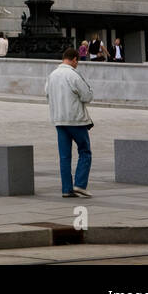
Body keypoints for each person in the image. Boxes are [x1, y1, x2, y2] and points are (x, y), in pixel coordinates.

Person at [46, 46, 95, 198]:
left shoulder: (52, 75)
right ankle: (80, 184)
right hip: (76, 120)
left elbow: (46, 93)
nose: (76, 64)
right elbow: (87, 96)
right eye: (77, 61)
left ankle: (66, 189)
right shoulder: (73, 75)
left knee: (65, 156)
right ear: (74, 59)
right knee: (85, 151)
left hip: (59, 120)